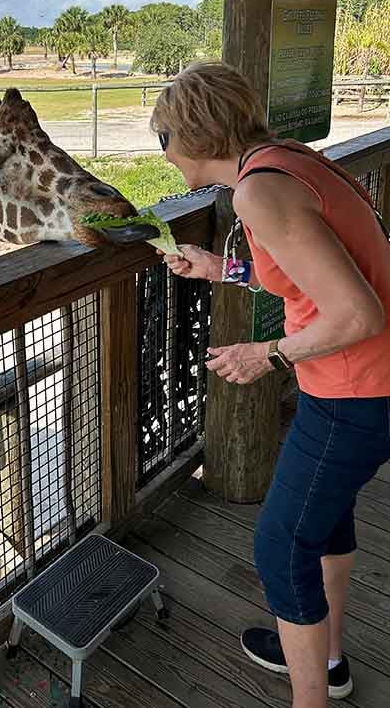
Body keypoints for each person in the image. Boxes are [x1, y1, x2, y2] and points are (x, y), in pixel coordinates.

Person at [151, 61, 390, 708]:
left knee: (282, 543)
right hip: (361, 388)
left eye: (163, 139)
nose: (165, 153)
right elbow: (304, 272)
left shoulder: (258, 191)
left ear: (196, 135)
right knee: (323, 519)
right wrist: (219, 267)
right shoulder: (281, 161)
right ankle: (329, 659)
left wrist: (268, 353)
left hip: (356, 391)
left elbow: (358, 312)